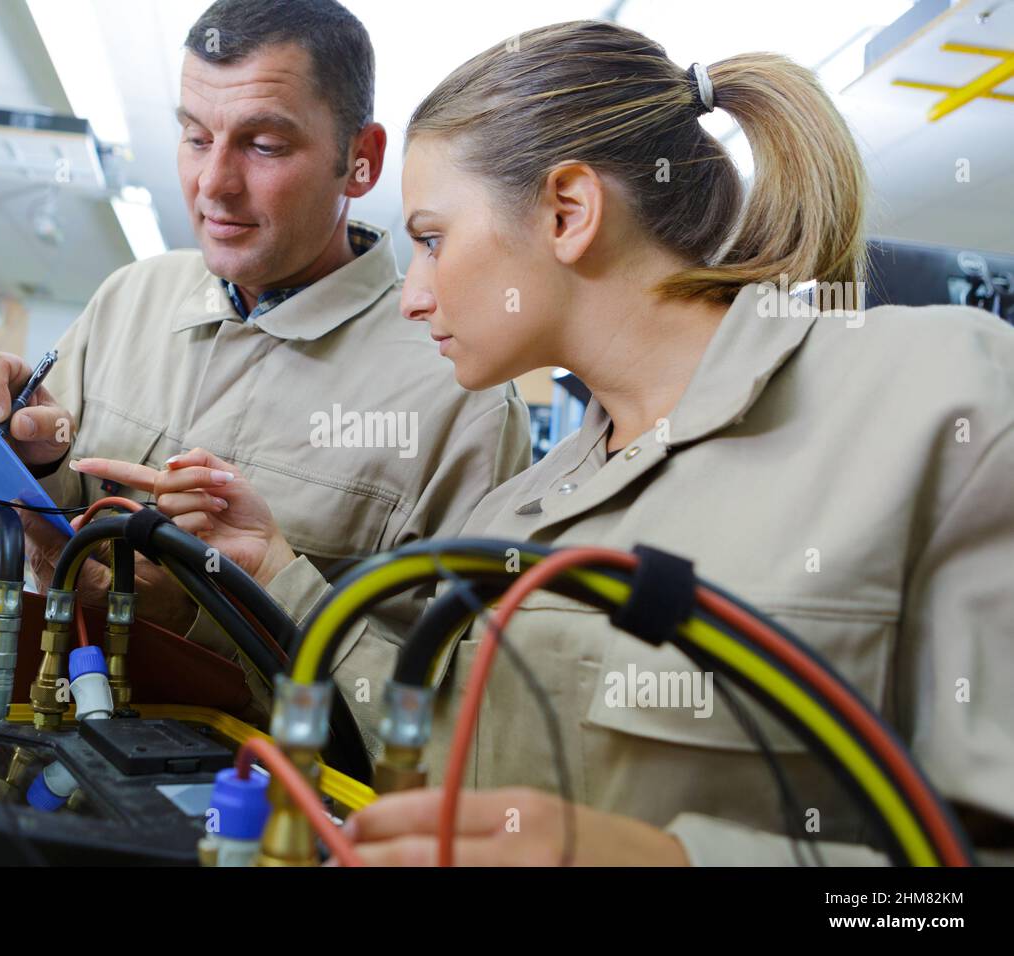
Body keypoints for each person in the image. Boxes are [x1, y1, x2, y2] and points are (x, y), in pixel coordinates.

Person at [82, 21, 1014, 865]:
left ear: (568, 212)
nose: (412, 294)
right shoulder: (523, 508)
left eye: (435, 239)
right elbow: (444, 750)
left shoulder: (944, 398)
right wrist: (274, 567)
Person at [0, 0, 530, 675]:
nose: (214, 185)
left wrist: (215, 613)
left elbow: (459, 715)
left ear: (361, 159)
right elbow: (41, 524)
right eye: (196, 137)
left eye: (263, 145)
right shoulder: (128, 299)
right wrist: (28, 464)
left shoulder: (462, 401)